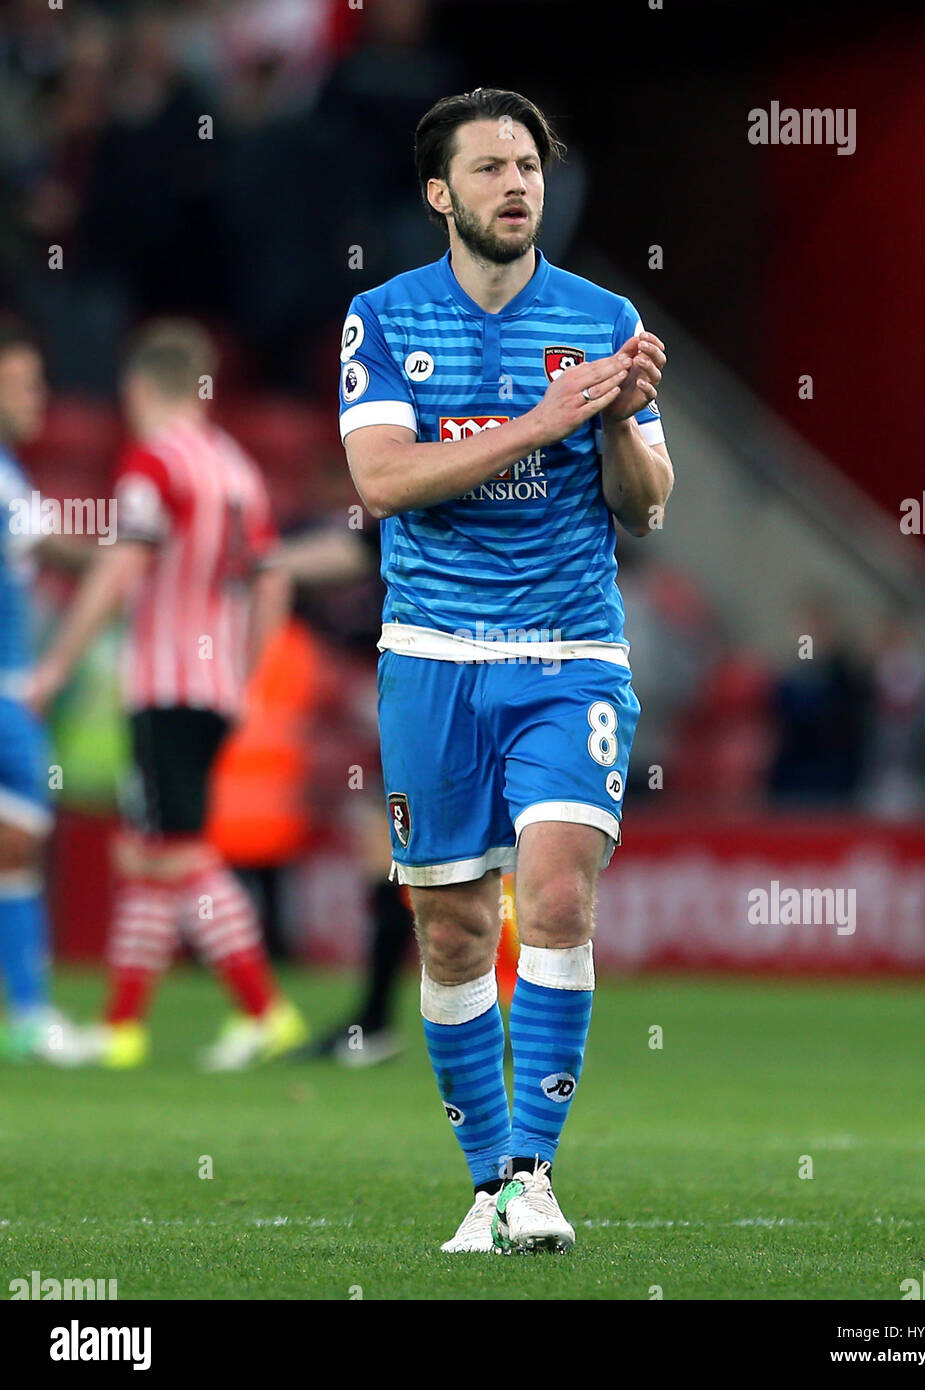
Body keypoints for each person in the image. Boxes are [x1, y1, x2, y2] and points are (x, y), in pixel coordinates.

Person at [338, 88, 672, 1253]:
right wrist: (541, 425)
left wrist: (621, 421)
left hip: (570, 650)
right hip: (432, 656)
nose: (514, 185)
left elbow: (646, 509)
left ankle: (534, 1172)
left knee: (560, 895)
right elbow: (380, 481)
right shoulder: (381, 318)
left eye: (526, 165)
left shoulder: (602, 316)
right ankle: (484, 1185)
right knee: (450, 933)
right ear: (441, 194)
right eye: (487, 169)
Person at [28, 319, 307, 1070]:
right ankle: (121, 1029)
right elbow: (273, 578)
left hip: (163, 684)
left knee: (176, 853)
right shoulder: (236, 466)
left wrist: (56, 664)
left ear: (138, 386)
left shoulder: (155, 464)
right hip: (213, 686)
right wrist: (245, 676)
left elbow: (120, 569)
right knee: (146, 849)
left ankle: (264, 1009)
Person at [0, 320, 89, 1063]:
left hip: (14, 694)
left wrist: (129, 553)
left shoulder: (11, 474)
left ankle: (30, 1014)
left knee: (17, 850)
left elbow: (50, 545)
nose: (40, 397)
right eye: (24, 383)